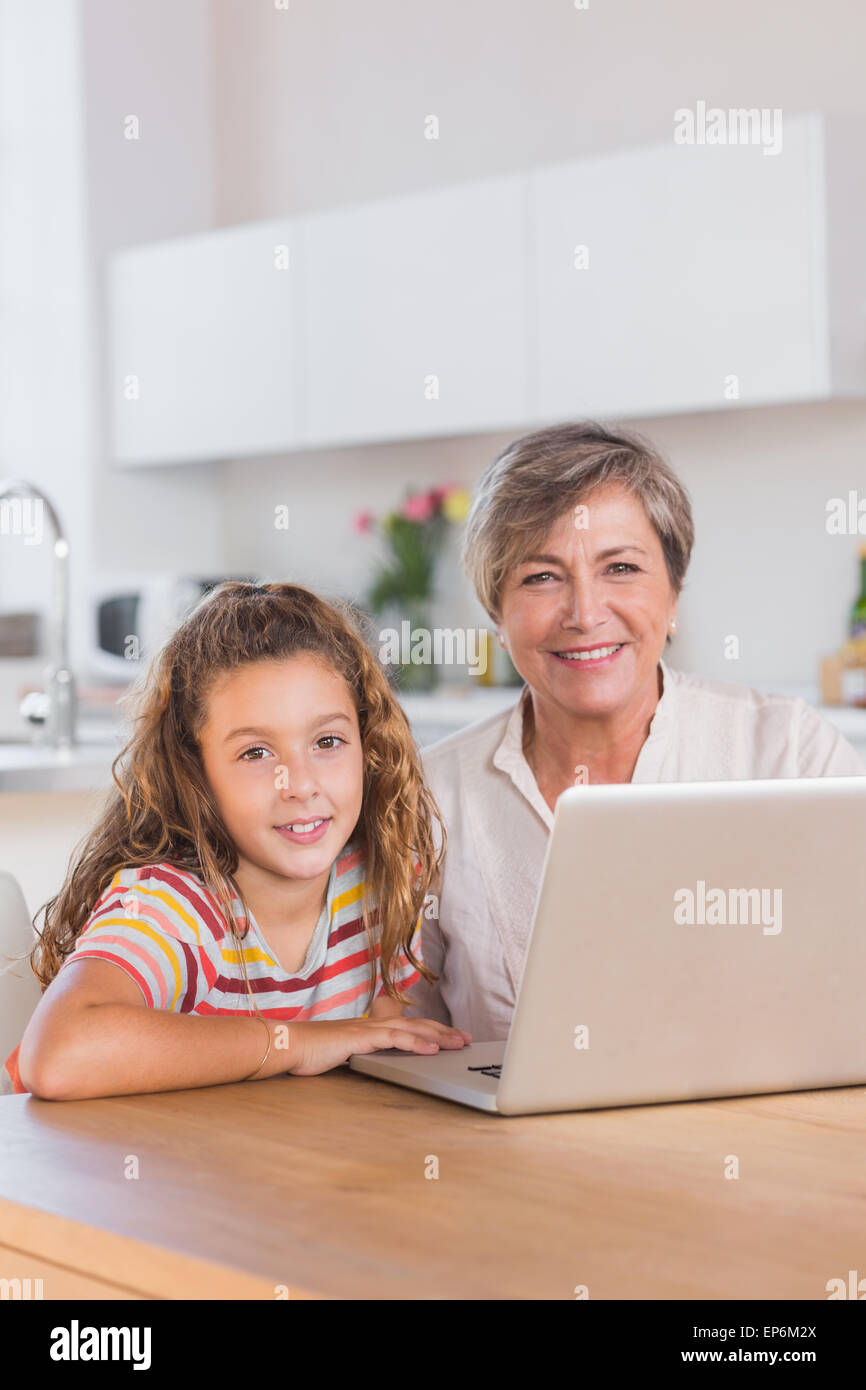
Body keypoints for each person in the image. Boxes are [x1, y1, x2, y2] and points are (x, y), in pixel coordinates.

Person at [405, 420, 866, 1042]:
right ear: (496, 610)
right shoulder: (431, 795)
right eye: (541, 576)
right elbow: (406, 1039)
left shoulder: (789, 752)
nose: (585, 613)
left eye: (620, 567)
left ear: (674, 594)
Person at [5, 582, 469, 1098]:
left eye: (327, 741)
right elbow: (58, 1055)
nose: (300, 784)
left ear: (368, 744)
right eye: (256, 753)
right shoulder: (173, 908)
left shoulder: (379, 878)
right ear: (195, 773)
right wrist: (296, 1042)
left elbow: (378, 1048)